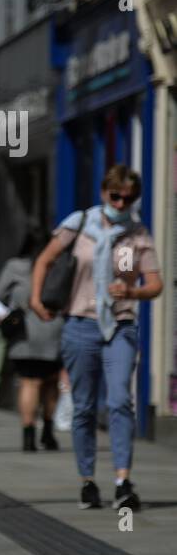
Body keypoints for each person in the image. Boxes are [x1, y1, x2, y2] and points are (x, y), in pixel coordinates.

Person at [30, 165, 163, 511]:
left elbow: (156, 284)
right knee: (84, 406)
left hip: (120, 325)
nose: (121, 202)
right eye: (115, 195)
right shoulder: (80, 224)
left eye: (129, 198)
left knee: (120, 401)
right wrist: (35, 298)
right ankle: (87, 480)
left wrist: (132, 291)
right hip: (80, 325)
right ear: (104, 192)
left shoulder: (137, 234)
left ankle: (122, 480)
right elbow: (45, 260)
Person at [0, 228, 64, 452]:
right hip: (55, 328)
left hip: (25, 333)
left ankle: (28, 433)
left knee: (29, 382)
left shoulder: (15, 267)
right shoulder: (58, 266)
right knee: (51, 382)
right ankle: (48, 430)